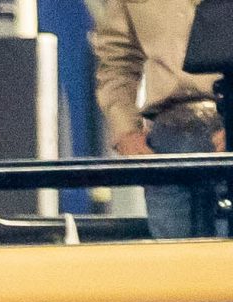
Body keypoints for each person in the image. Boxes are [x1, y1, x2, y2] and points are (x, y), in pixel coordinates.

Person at [93, 0, 225, 239]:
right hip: (166, 140)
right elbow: (116, 57)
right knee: (172, 264)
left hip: (227, 126)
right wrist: (125, 131)